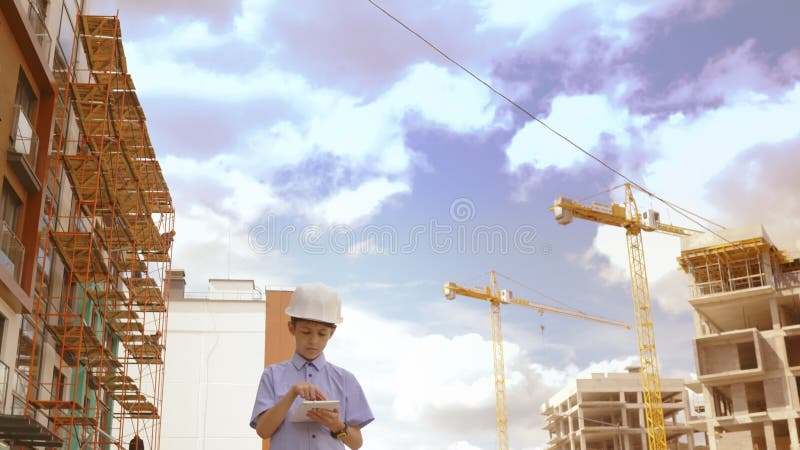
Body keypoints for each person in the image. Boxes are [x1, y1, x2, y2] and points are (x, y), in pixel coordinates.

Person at [250, 283, 373, 449]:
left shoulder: (346, 380)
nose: (314, 340)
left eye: (322, 333)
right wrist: (292, 394)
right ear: (291, 328)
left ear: (332, 333)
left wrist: (337, 425)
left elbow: (357, 443)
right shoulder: (272, 375)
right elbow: (263, 431)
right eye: (306, 332)